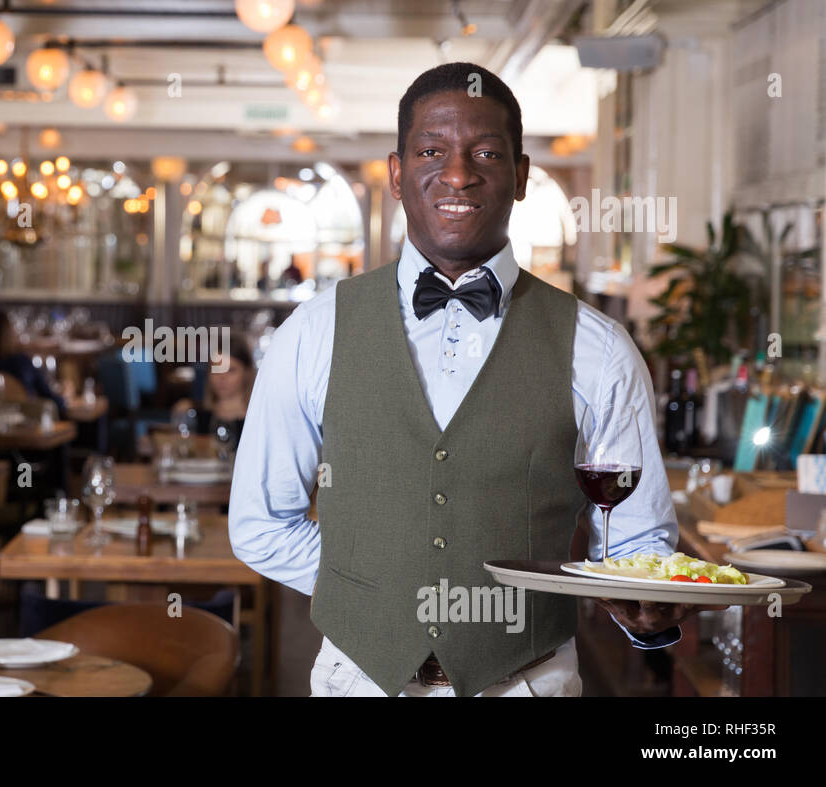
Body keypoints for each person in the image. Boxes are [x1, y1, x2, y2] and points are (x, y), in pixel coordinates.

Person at [229, 62, 719, 697]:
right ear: (397, 172)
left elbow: (633, 536)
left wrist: (644, 605)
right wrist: (368, 592)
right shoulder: (314, 331)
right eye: (431, 150)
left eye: (485, 152)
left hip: (529, 682)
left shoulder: (600, 347)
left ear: (519, 176)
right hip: (359, 680)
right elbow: (261, 521)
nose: (457, 173)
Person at [170, 333, 255, 451]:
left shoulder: (258, 418)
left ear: (247, 373)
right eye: (216, 369)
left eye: (231, 370)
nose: (222, 377)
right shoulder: (192, 413)